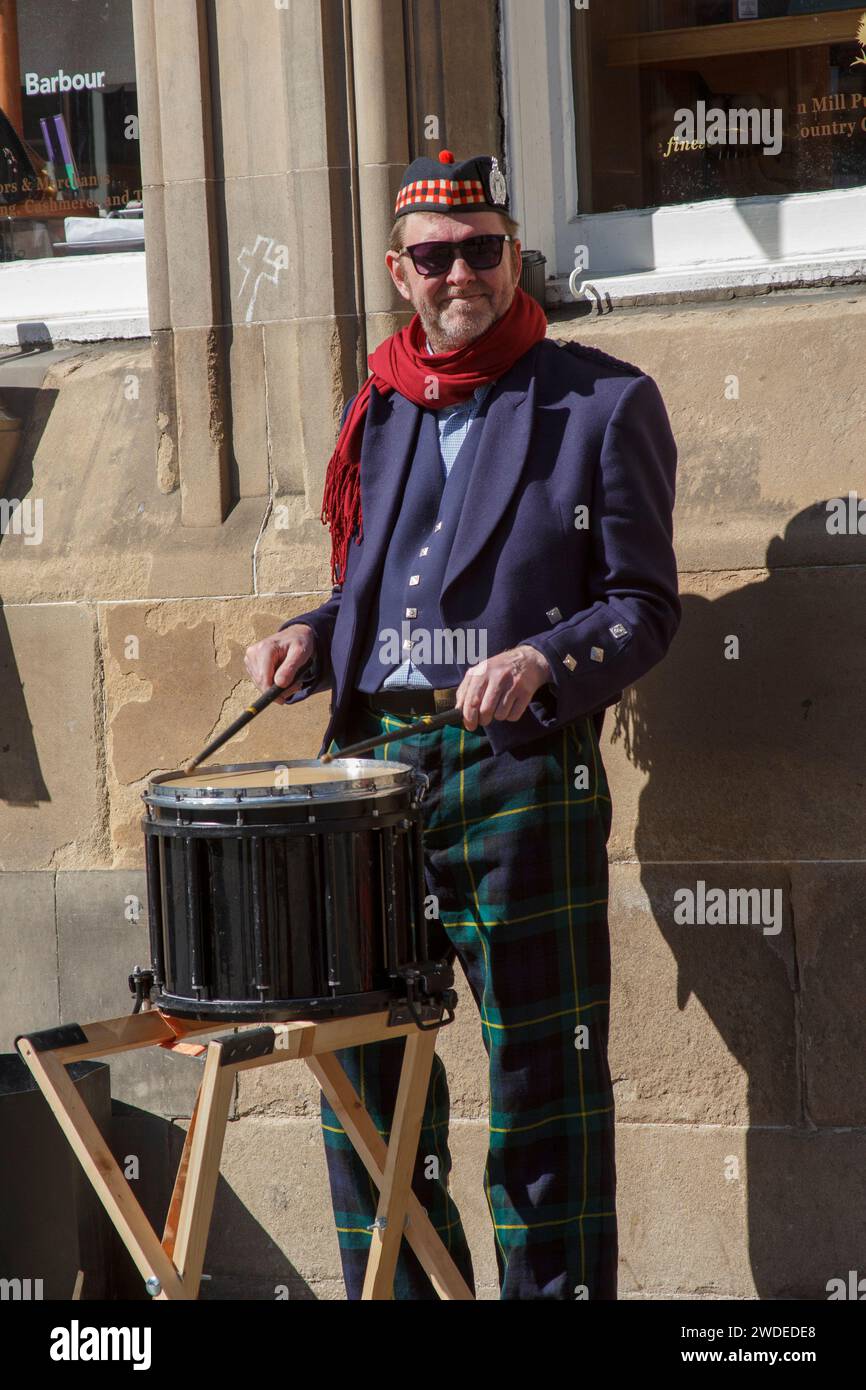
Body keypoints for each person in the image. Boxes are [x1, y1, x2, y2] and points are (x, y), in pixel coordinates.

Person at [244, 151, 680, 1300]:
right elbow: (368, 594)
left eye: (482, 249)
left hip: (516, 769)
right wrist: (309, 634)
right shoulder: (379, 406)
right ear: (399, 272)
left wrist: (542, 659)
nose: (460, 275)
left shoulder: (599, 400)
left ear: (515, 255)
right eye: (434, 258)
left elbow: (641, 608)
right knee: (364, 1082)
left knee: (544, 1076)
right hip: (368, 774)